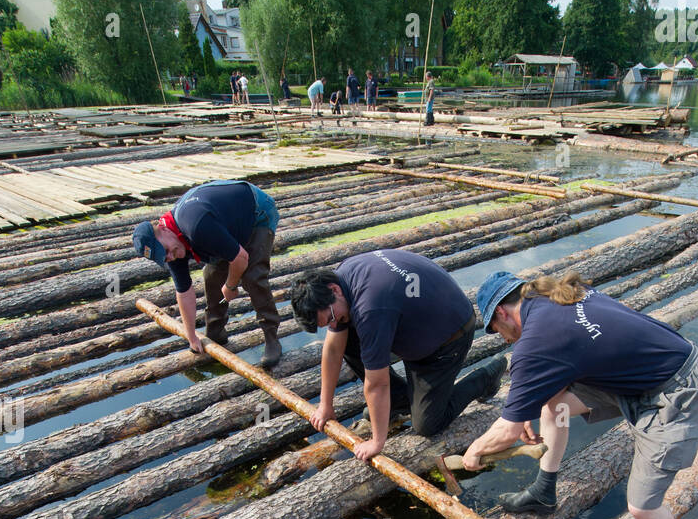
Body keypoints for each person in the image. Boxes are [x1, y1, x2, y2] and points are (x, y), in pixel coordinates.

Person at [463, 270, 698, 519]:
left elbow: (507, 432)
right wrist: (525, 409)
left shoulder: (536, 340)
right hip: (639, 378)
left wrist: (476, 450)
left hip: (680, 387)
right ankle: (544, 489)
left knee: (642, 506)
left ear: (502, 314)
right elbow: (561, 364)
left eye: (497, 331)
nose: (504, 339)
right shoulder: (554, 297)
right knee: (554, 406)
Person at [290, 249, 507, 463]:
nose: (334, 324)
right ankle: (396, 402)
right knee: (345, 337)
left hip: (447, 337)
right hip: (416, 321)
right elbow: (333, 349)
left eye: (331, 318)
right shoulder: (343, 280)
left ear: (333, 289)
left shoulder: (370, 308)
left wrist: (377, 441)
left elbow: (377, 385)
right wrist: (325, 404)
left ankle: (485, 379)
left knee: (427, 425)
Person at [132, 179, 282, 364]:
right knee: (211, 275)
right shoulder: (171, 248)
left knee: (253, 276)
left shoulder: (196, 226)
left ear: (163, 228)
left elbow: (240, 258)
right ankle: (216, 332)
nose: (169, 256)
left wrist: (231, 285)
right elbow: (184, 292)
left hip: (256, 211)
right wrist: (191, 336)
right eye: (164, 257)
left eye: (167, 251)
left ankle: (271, 338)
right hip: (223, 226)